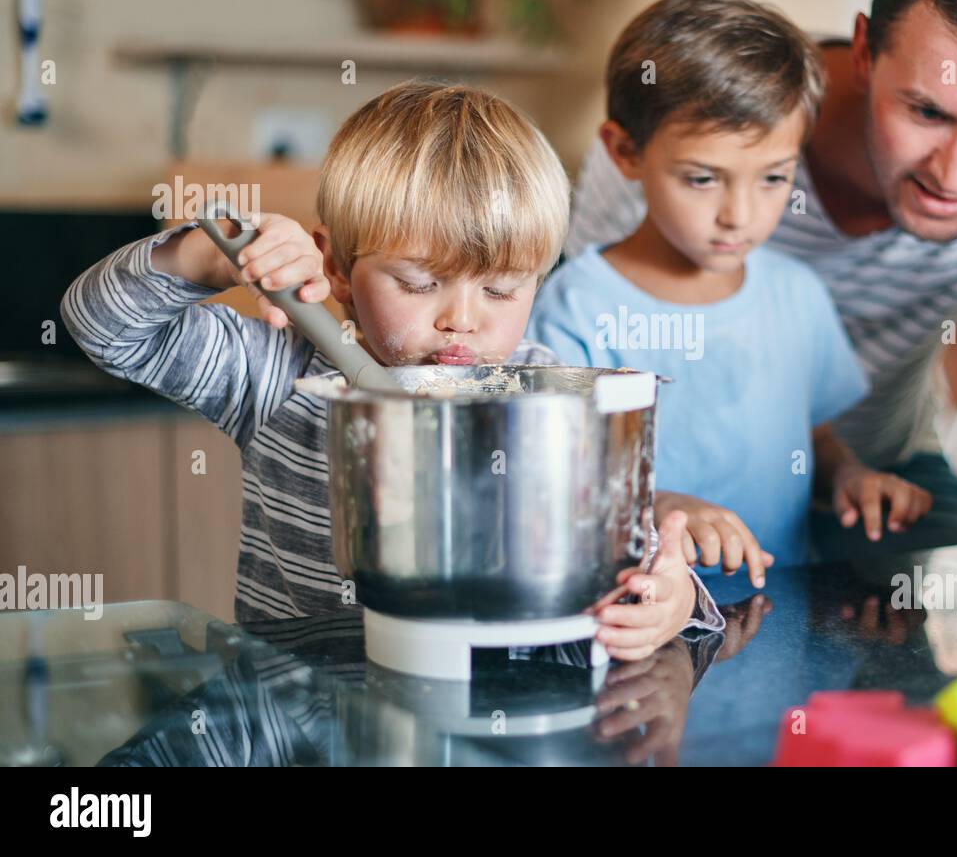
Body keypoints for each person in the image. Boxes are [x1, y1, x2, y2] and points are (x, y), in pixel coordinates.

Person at [564, 0, 957, 647]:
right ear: (865, 52)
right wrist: (656, 514)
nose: (955, 175)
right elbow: (574, 414)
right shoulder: (685, 130)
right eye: (928, 111)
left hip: (881, 474)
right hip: (676, 488)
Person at [61, 80, 722, 660]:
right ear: (337, 268)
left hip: (499, 712)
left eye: (501, 291)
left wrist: (672, 602)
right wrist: (207, 259)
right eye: (418, 283)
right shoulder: (274, 372)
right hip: (302, 713)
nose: (462, 320)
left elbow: (630, 562)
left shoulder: (546, 393)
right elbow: (101, 325)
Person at [530, 0, 935, 588]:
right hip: (641, 619)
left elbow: (814, 438)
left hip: (781, 610)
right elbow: (554, 483)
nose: (739, 215)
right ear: (624, 152)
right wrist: (661, 507)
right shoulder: (577, 309)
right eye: (702, 179)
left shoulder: (797, 296)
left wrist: (850, 477)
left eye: (773, 177)